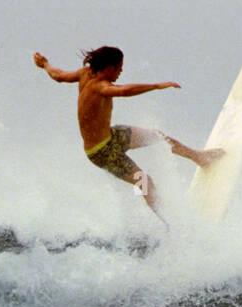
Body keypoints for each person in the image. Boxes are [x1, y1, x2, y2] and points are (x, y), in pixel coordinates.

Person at [33, 45, 224, 223]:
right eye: (119, 68)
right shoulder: (100, 86)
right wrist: (156, 86)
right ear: (109, 68)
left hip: (111, 136)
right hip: (102, 153)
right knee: (145, 182)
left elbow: (57, 75)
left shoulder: (85, 73)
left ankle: (200, 157)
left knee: (157, 137)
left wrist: (44, 64)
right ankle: (173, 224)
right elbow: (124, 91)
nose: (121, 72)